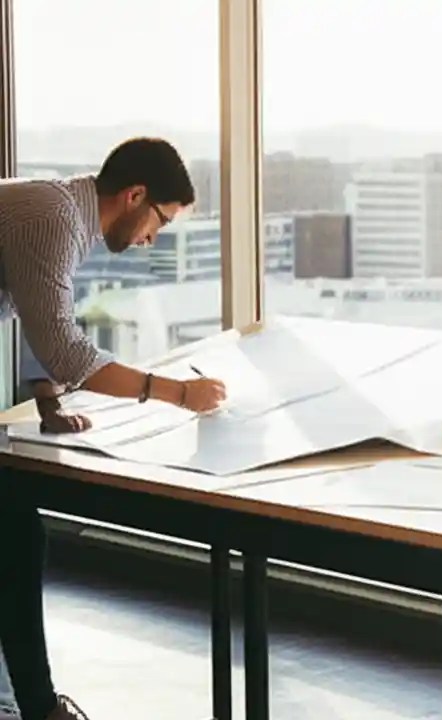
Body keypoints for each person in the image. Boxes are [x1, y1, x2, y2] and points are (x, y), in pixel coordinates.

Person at [0, 138, 227, 720]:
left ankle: (35, 707)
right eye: (161, 221)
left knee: (15, 528)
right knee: (15, 533)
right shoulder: (53, 219)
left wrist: (46, 400)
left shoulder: (59, 209)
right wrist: (177, 393)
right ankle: (40, 710)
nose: (154, 238)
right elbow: (67, 350)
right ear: (135, 195)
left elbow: (35, 311)